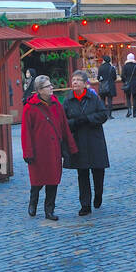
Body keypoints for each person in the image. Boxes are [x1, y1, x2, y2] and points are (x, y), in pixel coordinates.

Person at [20, 75, 77, 221]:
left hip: (54, 150)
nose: (51, 88)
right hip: (38, 151)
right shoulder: (30, 108)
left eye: (51, 85)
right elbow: (26, 132)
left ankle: (49, 210)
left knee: (53, 181)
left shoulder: (57, 105)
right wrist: (28, 152)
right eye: (48, 86)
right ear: (39, 90)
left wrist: (71, 147)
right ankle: (33, 202)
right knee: (37, 181)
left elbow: (64, 127)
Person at [63, 71, 110, 216]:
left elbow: (103, 115)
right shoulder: (67, 101)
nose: (75, 82)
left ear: (85, 84)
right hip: (78, 141)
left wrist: (88, 119)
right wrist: (75, 122)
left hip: (95, 139)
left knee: (98, 171)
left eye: (78, 80)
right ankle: (85, 205)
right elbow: (63, 122)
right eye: (73, 79)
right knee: (82, 174)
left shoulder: (93, 99)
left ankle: (98, 195)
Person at [120, 53, 136, 118]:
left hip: (128, 82)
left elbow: (122, 75)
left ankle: (129, 110)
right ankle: (134, 113)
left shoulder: (125, 66)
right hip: (135, 82)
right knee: (135, 98)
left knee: (128, 97)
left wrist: (125, 81)